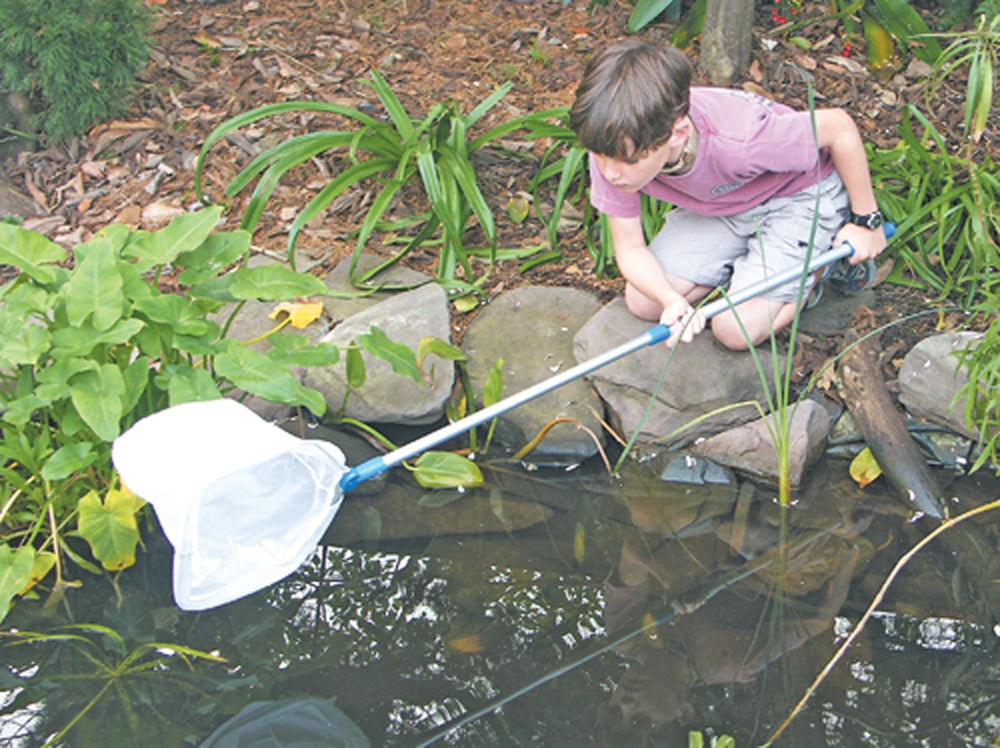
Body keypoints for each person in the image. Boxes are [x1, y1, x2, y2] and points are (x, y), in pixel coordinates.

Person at [569, 39, 887, 350]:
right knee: (643, 301)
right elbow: (630, 250)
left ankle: (817, 271)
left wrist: (866, 222)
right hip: (723, 204)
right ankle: (748, 272)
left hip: (797, 196)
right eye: (600, 156)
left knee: (735, 330)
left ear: (677, 134)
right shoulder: (612, 147)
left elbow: (839, 127)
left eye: (628, 160)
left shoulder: (743, 140)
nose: (610, 173)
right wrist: (670, 299)